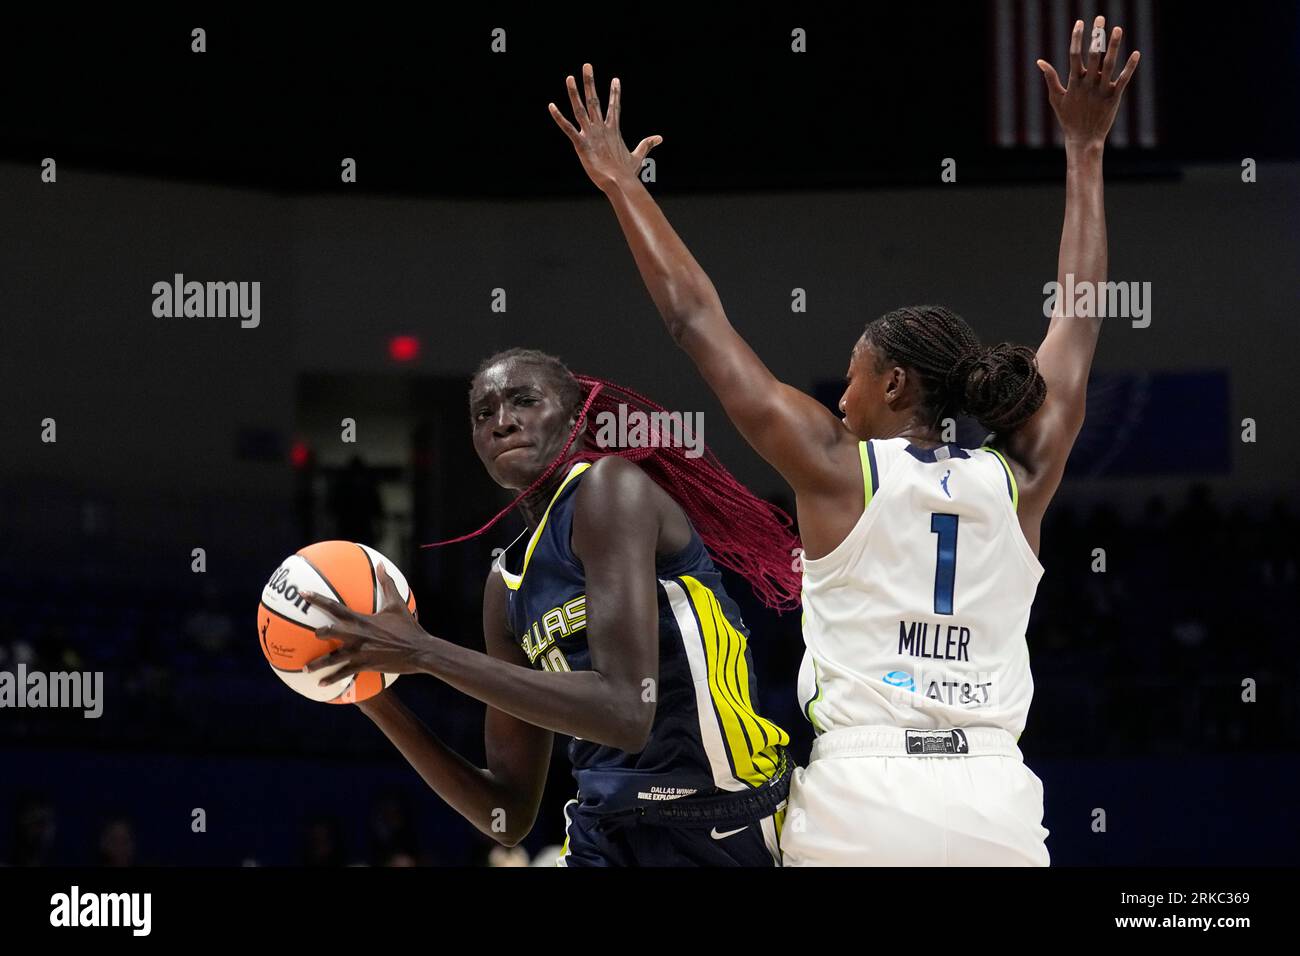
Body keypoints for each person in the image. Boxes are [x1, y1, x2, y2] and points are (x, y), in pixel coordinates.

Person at [548, 14, 1140, 865]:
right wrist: (1086, 154)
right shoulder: (1021, 476)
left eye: (852, 374)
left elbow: (694, 320)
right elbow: (1077, 321)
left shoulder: (836, 470)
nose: (841, 392)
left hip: (863, 803)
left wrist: (622, 187)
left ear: (894, 384)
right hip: (994, 806)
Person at [303, 349, 799, 865]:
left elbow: (626, 711)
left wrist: (425, 653)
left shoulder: (611, 488)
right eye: (483, 414)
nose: (502, 423)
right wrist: (368, 693)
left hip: (717, 818)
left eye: (524, 401)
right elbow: (508, 813)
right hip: (601, 831)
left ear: (576, 416)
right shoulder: (506, 585)